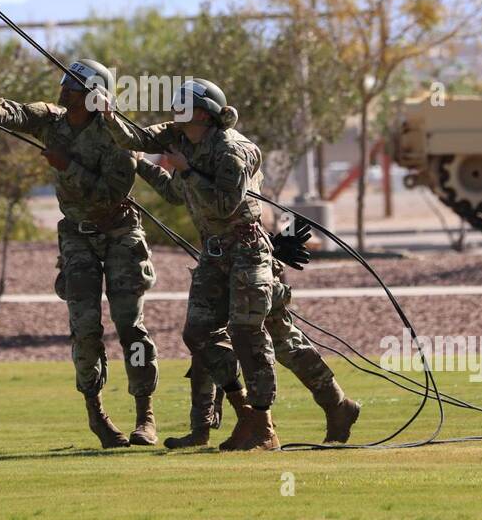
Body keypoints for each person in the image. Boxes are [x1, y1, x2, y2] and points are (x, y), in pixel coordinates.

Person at [0, 59, 159, 448]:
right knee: (85, 329)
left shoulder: (117, 137)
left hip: (120, 234)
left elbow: (112, 192)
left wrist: (68, 166)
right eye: (64, 82)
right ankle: (98, 415)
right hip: (77, 238)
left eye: (73, 85)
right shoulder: (51, 120)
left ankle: (145, 416)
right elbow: (13, 112)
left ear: (94, 96)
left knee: (131, 328)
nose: (63, 89)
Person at [102, 78, 281, 451]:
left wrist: (185, 171)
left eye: (182, 103)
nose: (174, 107)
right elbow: (133, 138)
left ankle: (263, 427)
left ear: (203, 112)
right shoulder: (176, 136)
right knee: (198, 333)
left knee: (248, 334)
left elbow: (222, 206)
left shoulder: (231, 151)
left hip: (246, 251)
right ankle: (244, 411)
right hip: (214, 253)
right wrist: (107, 112)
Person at [135, 154, 361, 447]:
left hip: (252, 264)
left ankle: (328, 407)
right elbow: (174, 192)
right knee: (206, 334)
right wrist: (140, 162)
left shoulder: (224, 155)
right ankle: (218, 424)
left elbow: (241, 209)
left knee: (280, 341)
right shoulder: (193, 159)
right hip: (225, 262)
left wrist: (272, 246)